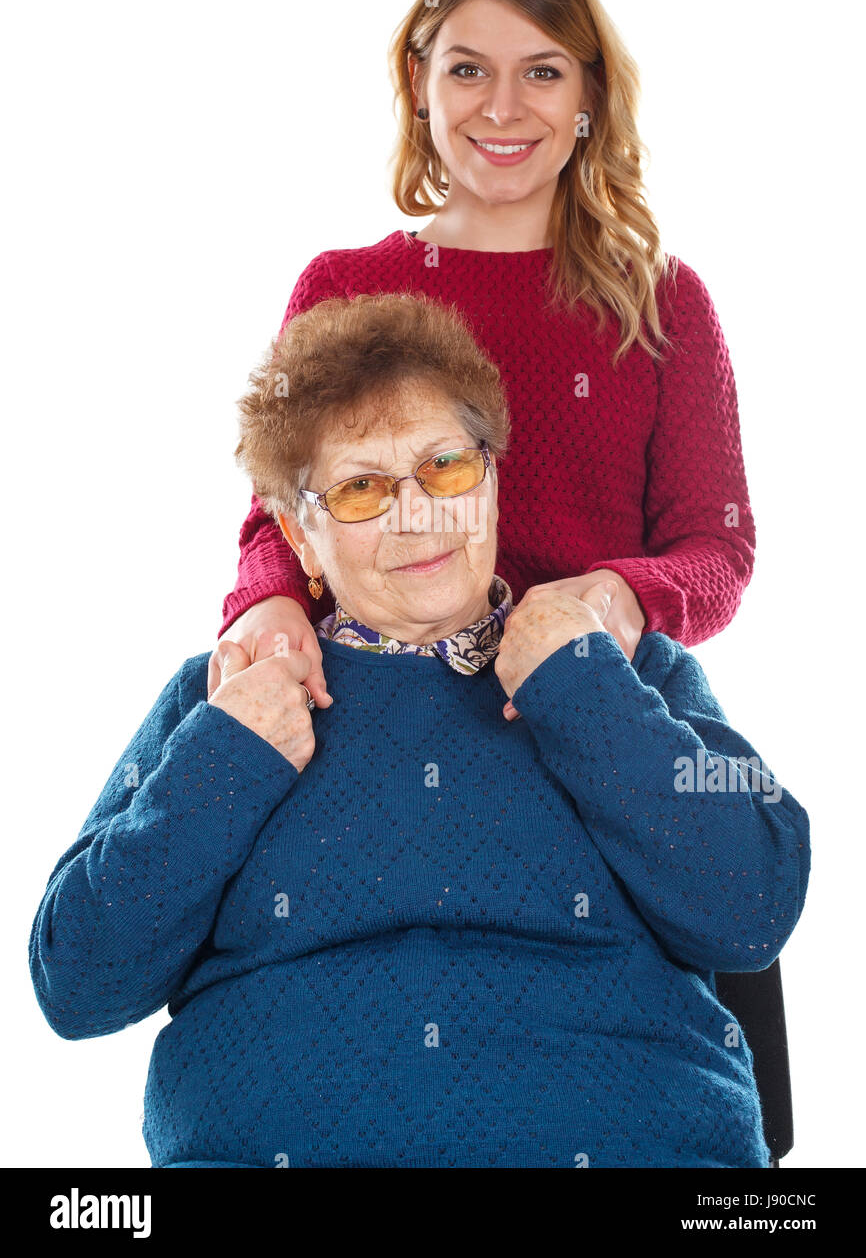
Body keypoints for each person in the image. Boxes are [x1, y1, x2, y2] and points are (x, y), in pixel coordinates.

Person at [29, 292, 810, 1169]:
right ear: (299, 532)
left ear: (491, 477)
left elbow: (754, 905)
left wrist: (584, 693)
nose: (417, 514)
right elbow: (77, 980)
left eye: (443, 467)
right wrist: (225, 761)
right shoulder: (227, 699)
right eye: (361, 488)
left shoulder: (631, 672)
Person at [211, 0, 756, 718]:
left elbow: (719, 548)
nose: (503, 108)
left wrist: (620, 596)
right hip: (373, 708)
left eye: (542, 71)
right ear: (419, 80)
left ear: (589, 96)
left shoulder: (663, 306)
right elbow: (282, 514)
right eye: (468, 70)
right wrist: (268, 602)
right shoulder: (344, 286)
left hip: (583, 708)